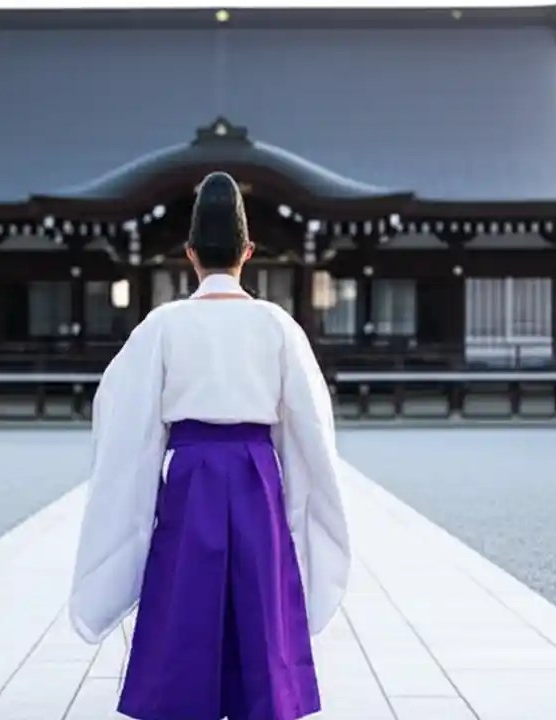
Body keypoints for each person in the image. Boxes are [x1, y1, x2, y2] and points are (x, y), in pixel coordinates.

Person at [68, 172, 351, 720]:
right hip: (256, 474)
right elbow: (310, 427)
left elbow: (122, 417)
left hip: (191, 473)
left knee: (183, 595)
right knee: (260, 594)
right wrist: (303, 509)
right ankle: (261, 701)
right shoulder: (277, 325)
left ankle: (181, 703)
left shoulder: (163, 325)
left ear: (190, 254)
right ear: (248, 251)